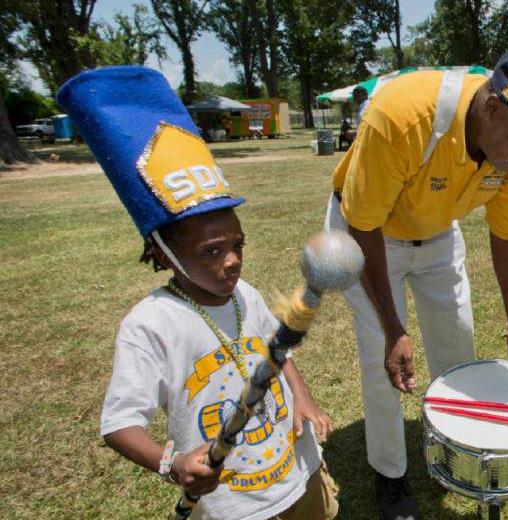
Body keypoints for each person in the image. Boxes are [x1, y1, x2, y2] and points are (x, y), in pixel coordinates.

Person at [57, 66, 338, 520]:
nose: (231, 261)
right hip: (235, 503)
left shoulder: (245, 293)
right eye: (211, 251)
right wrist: (171, 463)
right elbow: (118, 424)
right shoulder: (151, 325)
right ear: (165, 254)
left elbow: (277, 351)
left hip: (294, 473)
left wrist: (302, 397)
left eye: (236, 245)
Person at [323, 49, 508, 519]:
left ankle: (455, 449)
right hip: (369, 236)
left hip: (438, 230)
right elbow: (362, 226)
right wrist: (394, 327)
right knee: (383, 357)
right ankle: (391, 474)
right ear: (494, 107)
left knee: (457, 347)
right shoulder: (402, 115)